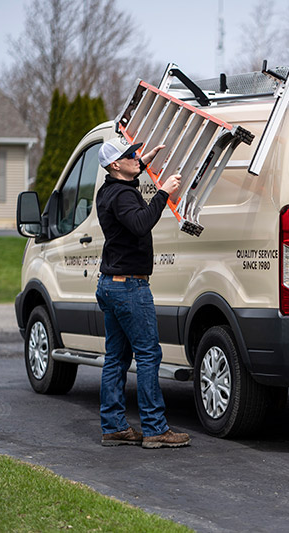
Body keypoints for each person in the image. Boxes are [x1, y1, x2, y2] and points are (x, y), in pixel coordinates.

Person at [95, 137, 190, 449]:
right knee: (148, 355)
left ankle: (113, 427)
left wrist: (142, 162)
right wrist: (163, 193)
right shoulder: (123, 195)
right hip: (130, 288)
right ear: (115, 164)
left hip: (111, 285)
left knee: (116, 358)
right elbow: (140, 223)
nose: (135, 157)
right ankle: (154, 428)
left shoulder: (108, 190)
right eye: (130, 155)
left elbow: (126, 184)